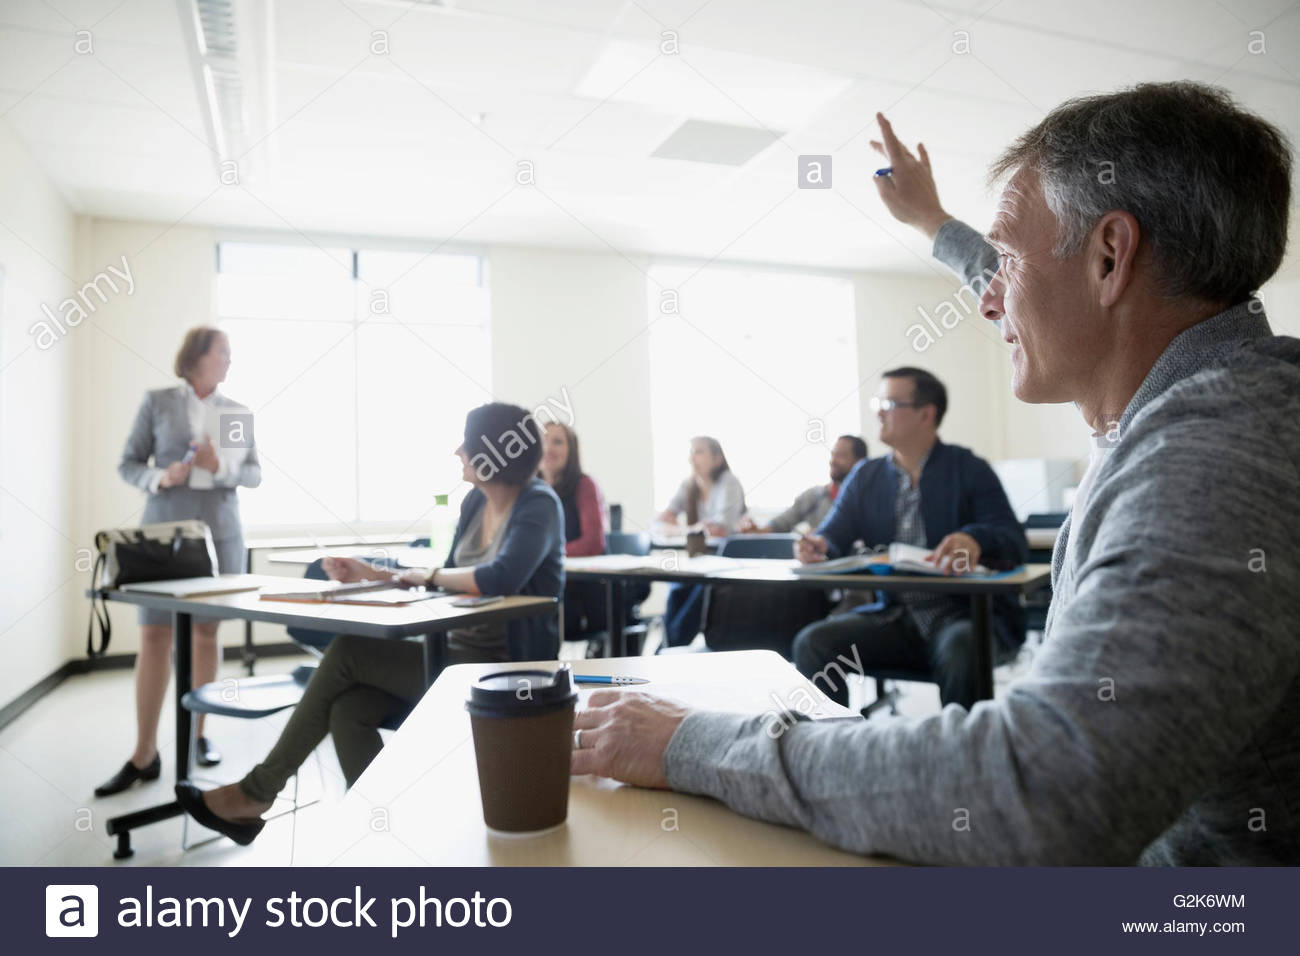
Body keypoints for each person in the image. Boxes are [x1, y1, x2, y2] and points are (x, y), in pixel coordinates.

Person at [570, 83, 1300, 865]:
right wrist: (932, 224)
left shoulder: (1219, 449)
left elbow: (1043, 789)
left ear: (1112, 256)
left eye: (1011, 257)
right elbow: (1024, 288)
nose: (990, 303)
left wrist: (691, 745)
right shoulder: (1204, 397)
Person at [175, 403, 564, 844]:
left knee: (351, 651)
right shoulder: (476, 502)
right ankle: (390, 834)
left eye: (467, 443)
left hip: (506, 668)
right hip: (456, 653)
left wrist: (425, 577)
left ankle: (257, 793)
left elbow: (500, 577)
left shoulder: (539, 504)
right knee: (349, 710)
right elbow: (448, 576)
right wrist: (375, 574)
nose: (459, 451)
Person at [790, 369, 1026, 710]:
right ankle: (835, 753)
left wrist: (974, 539)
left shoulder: (968, 468)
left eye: (890, 403)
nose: (879, 412)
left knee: (962, 647)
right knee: (813, 643)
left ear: (926, 414)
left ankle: (963, 759)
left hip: (964, 617)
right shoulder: (865, 476)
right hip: (896, 618)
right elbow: (833, 532)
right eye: (878, 403)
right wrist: (818, 545)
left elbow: (1010, 537)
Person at [96, 327, 260, 797]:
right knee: (154, 634)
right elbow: (128, 463)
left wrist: (219, 467)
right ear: (196, 358)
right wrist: (159, 476)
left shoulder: (235, 414)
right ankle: (144, 753)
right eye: (222, 353)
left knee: (207, 632)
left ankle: (199, 735)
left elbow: (252, 474)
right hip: (164, 537)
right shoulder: (158, 402)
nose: (229, 360)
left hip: (220, 535)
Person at [657, 437, 745, 648]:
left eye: (699, 452)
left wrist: (683, 529)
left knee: (700, 593)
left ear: (717, 458)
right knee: (676, 587)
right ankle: (668, 647)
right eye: (691, 452)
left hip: (726, 564)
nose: (692, 458)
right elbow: (660, 522)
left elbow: (720, 528)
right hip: (698, 561)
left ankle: (668, 649)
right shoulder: (688, 485)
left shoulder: (729, 482)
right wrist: (692, 529)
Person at [538, 421, 610, 638]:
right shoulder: (531, 489)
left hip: (579, 587)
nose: (548, 449)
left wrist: (546, 556)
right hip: (547, 581)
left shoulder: (584, 485)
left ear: (572, 450)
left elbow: (592, 543)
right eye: (543, 442)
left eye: (557, 442)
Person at [738, 435, 868, 534]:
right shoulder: (814, 496)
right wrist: (758, 530)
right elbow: (782, 522)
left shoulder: (870, 498)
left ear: (860, 462)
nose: (833, 461)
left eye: (841, 455)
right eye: (833, 454)